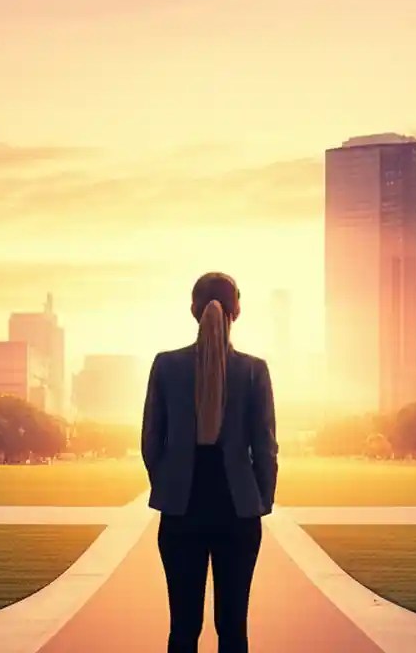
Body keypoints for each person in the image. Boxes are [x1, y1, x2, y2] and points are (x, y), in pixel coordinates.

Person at [142, 272, 278, 653]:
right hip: (238, 512)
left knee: (183, 629)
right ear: (238, 310)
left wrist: (168, 485)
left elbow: (151, 441)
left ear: (192, 310)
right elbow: (265, 446)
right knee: (233, 630)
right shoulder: (254, 370)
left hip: (182, 512)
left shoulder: (166, 365)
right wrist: (259, 500)